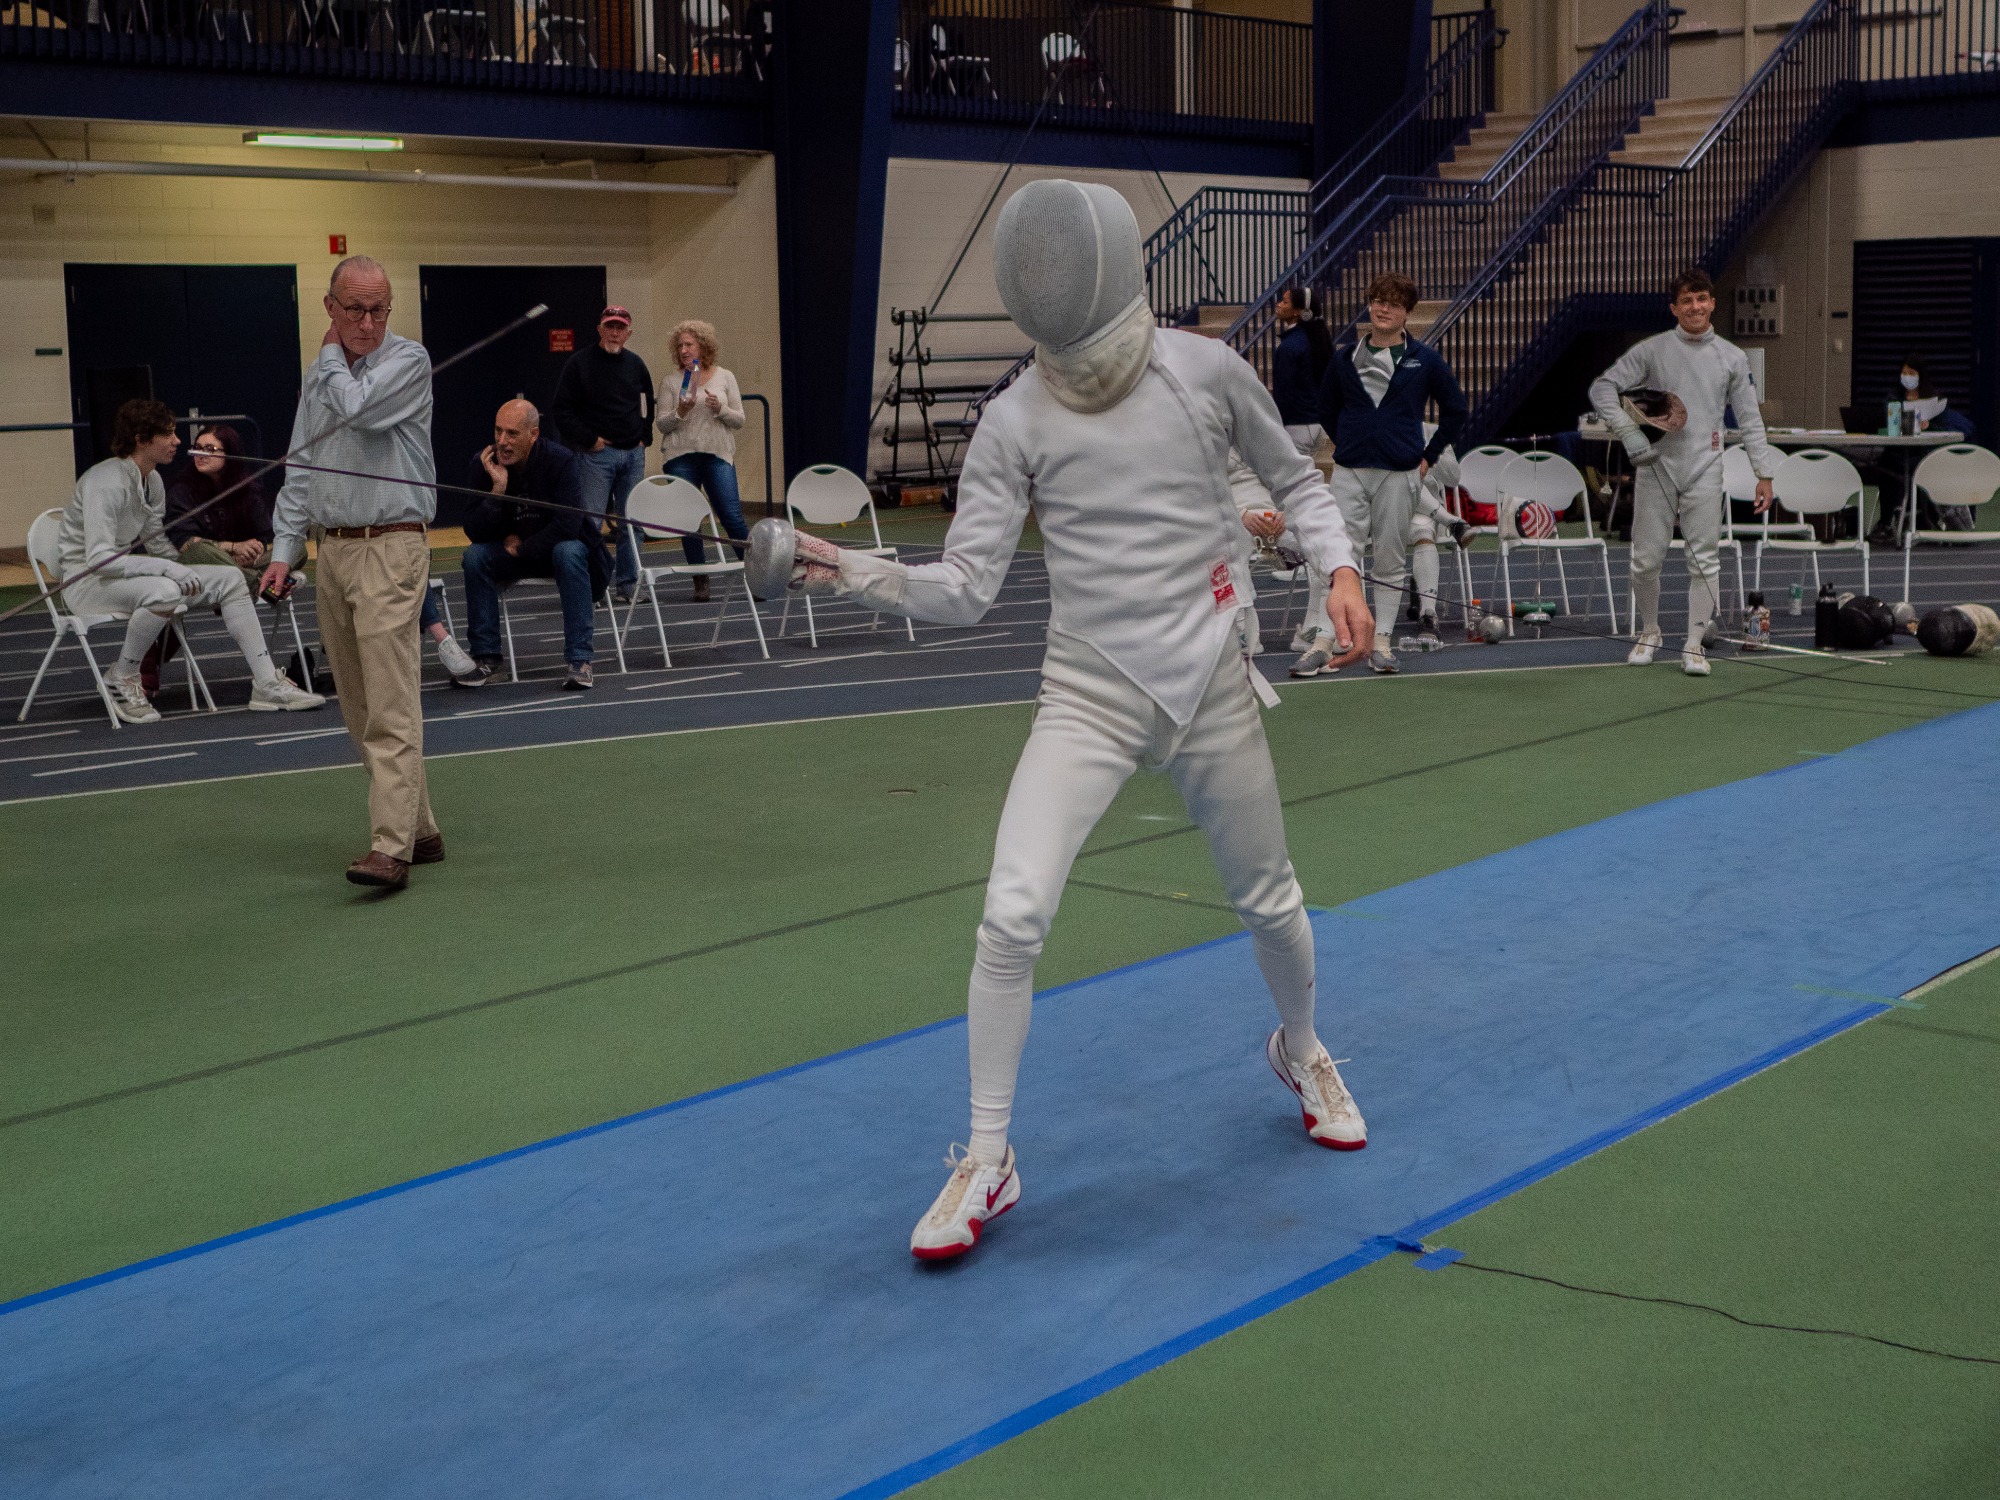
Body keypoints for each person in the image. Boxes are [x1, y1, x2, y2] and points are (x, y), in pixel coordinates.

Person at [751, 179, 1375, 1262]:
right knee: (1010, 913)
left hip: (1211, 685)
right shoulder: (1013, 420)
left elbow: (1300, 488)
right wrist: (836, 565)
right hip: (1086, 693)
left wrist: (1339, 572)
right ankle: (987, 1158)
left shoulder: (1205, 372)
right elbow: (962, 589)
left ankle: (1304, 1047)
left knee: (1270, 898)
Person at [262, 255, 442, 891]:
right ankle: (419, 827)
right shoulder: (322, 375)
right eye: (356, 309)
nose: (369, 322)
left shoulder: (406, 362)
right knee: (360, 705)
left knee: (391, 703)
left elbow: (359, 412)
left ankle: (390, 848)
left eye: (380, 309)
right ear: (330, 308)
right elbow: (302, 465)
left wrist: (331, 359)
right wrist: (285, 549)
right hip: (332, 551)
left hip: (391, 546)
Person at [58, 399, 324, 724]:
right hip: (86, 583)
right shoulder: (106, 482)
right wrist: (169, 570)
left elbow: (157, 544)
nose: (178, 441)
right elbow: (100, 559)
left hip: (119, 577)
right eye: (168, 434)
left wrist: (180, 567)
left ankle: (267, 684)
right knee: (164, 591)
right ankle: (122, 675)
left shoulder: (151, 481)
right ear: (142, 439)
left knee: (230, 580)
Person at [1589, 268, 1779, 676]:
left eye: (1702, 299)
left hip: (1705, 466)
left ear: (1712, 303)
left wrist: (1764, 471)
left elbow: (1749, 418)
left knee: (1705, 562)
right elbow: (1603, 387)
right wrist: (1627, 431)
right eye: (1687, 301)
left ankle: (1694, 643)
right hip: (1656, 465)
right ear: (1674, 308)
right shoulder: (1653, 350)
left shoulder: (1732, 356)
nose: (1695, 307)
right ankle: (1650, 631)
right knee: (1645, 560)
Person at [1314, 272, 1468, 676]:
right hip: (1350, 470)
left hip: (1400, 473)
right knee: (1339, 555)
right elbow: (1326, 408)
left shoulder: (1425, 360)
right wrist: (1350, 440)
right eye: (1378, 301)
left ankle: (1381, 641)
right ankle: (1327, 639)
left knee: (1389, 558)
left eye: (1394, 304)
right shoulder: (1344, 357)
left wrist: (1428, 457)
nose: (1384, 309)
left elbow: (1456, 412)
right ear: (1369, 304)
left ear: (1407, 313)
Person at [458, 398, 609, 691]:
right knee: (475, 557)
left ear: (534, 434)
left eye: (512, 434)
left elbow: (569, 524)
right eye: (498, 431)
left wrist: (524, 545)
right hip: (511, 553)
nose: (502, 441)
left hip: (551, 550)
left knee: (570, 550)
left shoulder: (561, 460)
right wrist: (498, 491)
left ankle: (579, 661)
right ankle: (486, 658)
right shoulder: (484, 464)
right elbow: (474, 531)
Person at [553, 305, 654, 601]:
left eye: (620, 327)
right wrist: (589, 439)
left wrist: (644, 437)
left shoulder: (636, 364)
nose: (614, 332)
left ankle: (628, 583)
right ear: (599, 329)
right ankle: (588, 587)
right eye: (609, 326)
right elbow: (562, 409)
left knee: (631, 524)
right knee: (590, 525)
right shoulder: (579, 364)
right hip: (596, 457)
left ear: (628, 333)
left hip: (633, 455)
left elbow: (648, 403)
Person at [655, 318, 748, 600]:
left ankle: (756, 571)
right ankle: (700, 578)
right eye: (680, 345)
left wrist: (720, 408)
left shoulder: (725, 376)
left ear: (703, 346)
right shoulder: (671, 382)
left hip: (717, 453)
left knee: (731, 515)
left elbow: (740, 420)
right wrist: (680, 412)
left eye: (689, 344)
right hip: (680, 455)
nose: (684, 350)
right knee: (689, 519)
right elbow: (662, 425)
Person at [1866, 354, 1976, 543]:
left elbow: (1965, 427)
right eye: (1904, 372)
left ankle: (1925, 517)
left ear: (1920, 375)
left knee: (1918, 466)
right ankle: (1885, 522)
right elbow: (1886, 425)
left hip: (1924, 453)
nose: (1906, 376)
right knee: (1886, 464)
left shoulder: (1935, 401)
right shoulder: (1894, 399)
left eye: (1911, 373)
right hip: (1899, 452)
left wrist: (1929, 426)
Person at [1270, 283, 1332, 459]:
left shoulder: (1290, 346)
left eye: (1284, 302)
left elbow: (1284, 393)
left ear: (1297, 311)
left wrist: (1276, 424)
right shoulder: (1319, 340)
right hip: (1318, 425)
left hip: (1298, 425)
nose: (1279, 305)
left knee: (1294, 484)